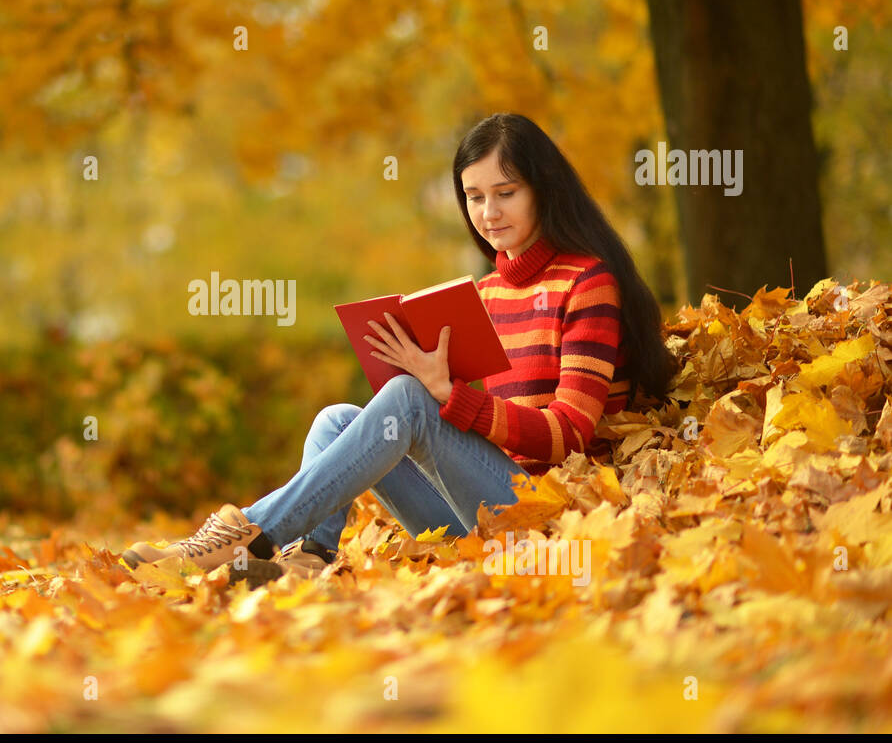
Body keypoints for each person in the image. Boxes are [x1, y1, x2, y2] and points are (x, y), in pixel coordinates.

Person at [120, 113, 677, 578]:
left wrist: (445, 395)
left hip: (554, 521)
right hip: (480, 511)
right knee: (333, 420)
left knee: (412, 399)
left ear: (544, 191)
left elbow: (566, 435)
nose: (489, 213)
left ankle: (245, 534)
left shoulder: (587, 282)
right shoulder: (484, 293)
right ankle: (307, 559)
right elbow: (474, 425)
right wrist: (436, 388)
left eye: (506, 194)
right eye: (475, 197)